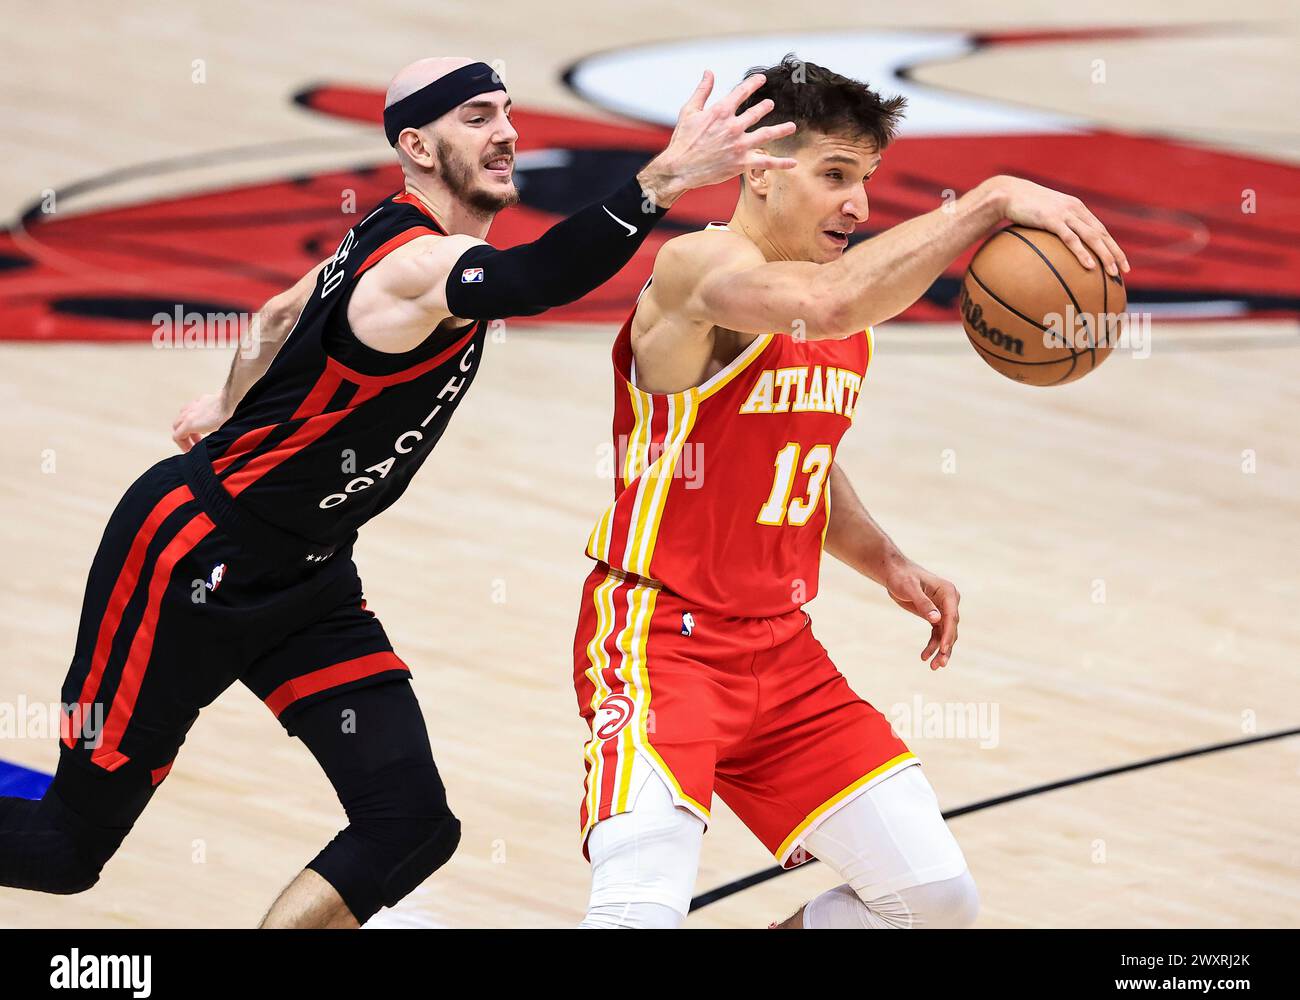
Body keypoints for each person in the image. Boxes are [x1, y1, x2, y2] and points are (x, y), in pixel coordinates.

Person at [0, 55, 797, 928]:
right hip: (194, 560)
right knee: (68, 850)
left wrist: (228, 401)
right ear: (416, 144)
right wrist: (668, 176)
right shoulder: (418, 262)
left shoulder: (391, 235)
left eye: (504, 113)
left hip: (308, 581)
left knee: (410, 824)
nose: (505, 134)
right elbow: (535, 281)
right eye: (474, 118)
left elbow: (275, 316)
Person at [572, 55, 1128, 929]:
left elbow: (801, 460)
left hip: (780, 653)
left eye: (866, 180)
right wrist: (987, 201)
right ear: (759, 168)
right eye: (835, 175)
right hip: (660, 644)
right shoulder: (699, 269)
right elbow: (825, 303)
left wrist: (887, 559)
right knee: (638, 913)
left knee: (933, 901)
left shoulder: (845, 316)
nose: (859, 205)